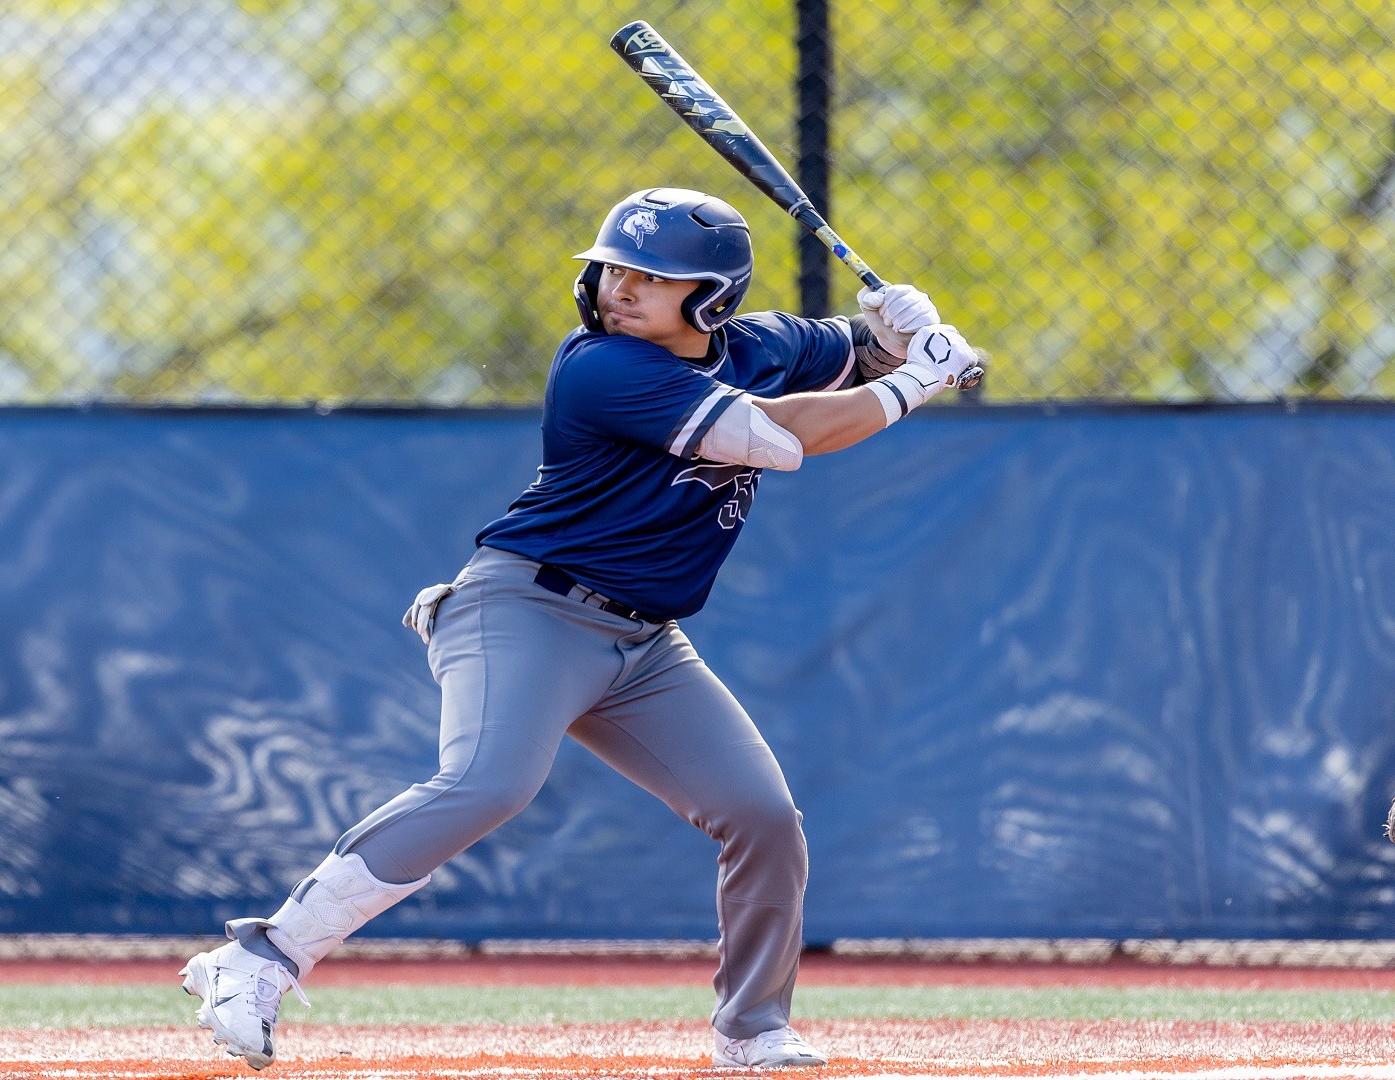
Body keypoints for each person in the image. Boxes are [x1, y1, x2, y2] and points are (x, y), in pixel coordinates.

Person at [179, 187, 983, 1070]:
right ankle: (260, 957)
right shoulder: (601, 367)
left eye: (653, 277)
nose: (621, 288)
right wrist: (917, 380)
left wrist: (894, 334)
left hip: (645, 645)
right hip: (526, 609)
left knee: (762, 817)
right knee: (487, 783)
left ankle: (752, 1029)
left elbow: (848, 353)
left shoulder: (763, 345)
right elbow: (780, 437)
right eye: (613, 269)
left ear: (712, 299)